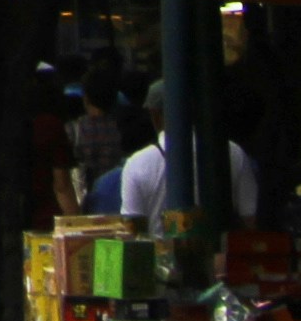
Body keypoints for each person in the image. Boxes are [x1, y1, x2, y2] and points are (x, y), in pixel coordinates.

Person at [109, 92, 262, 224]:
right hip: (219, 253)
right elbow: (250, 219)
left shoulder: (137, 164)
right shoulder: (233, 152)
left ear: (155, 115)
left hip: (158, 255)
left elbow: (132, 231)